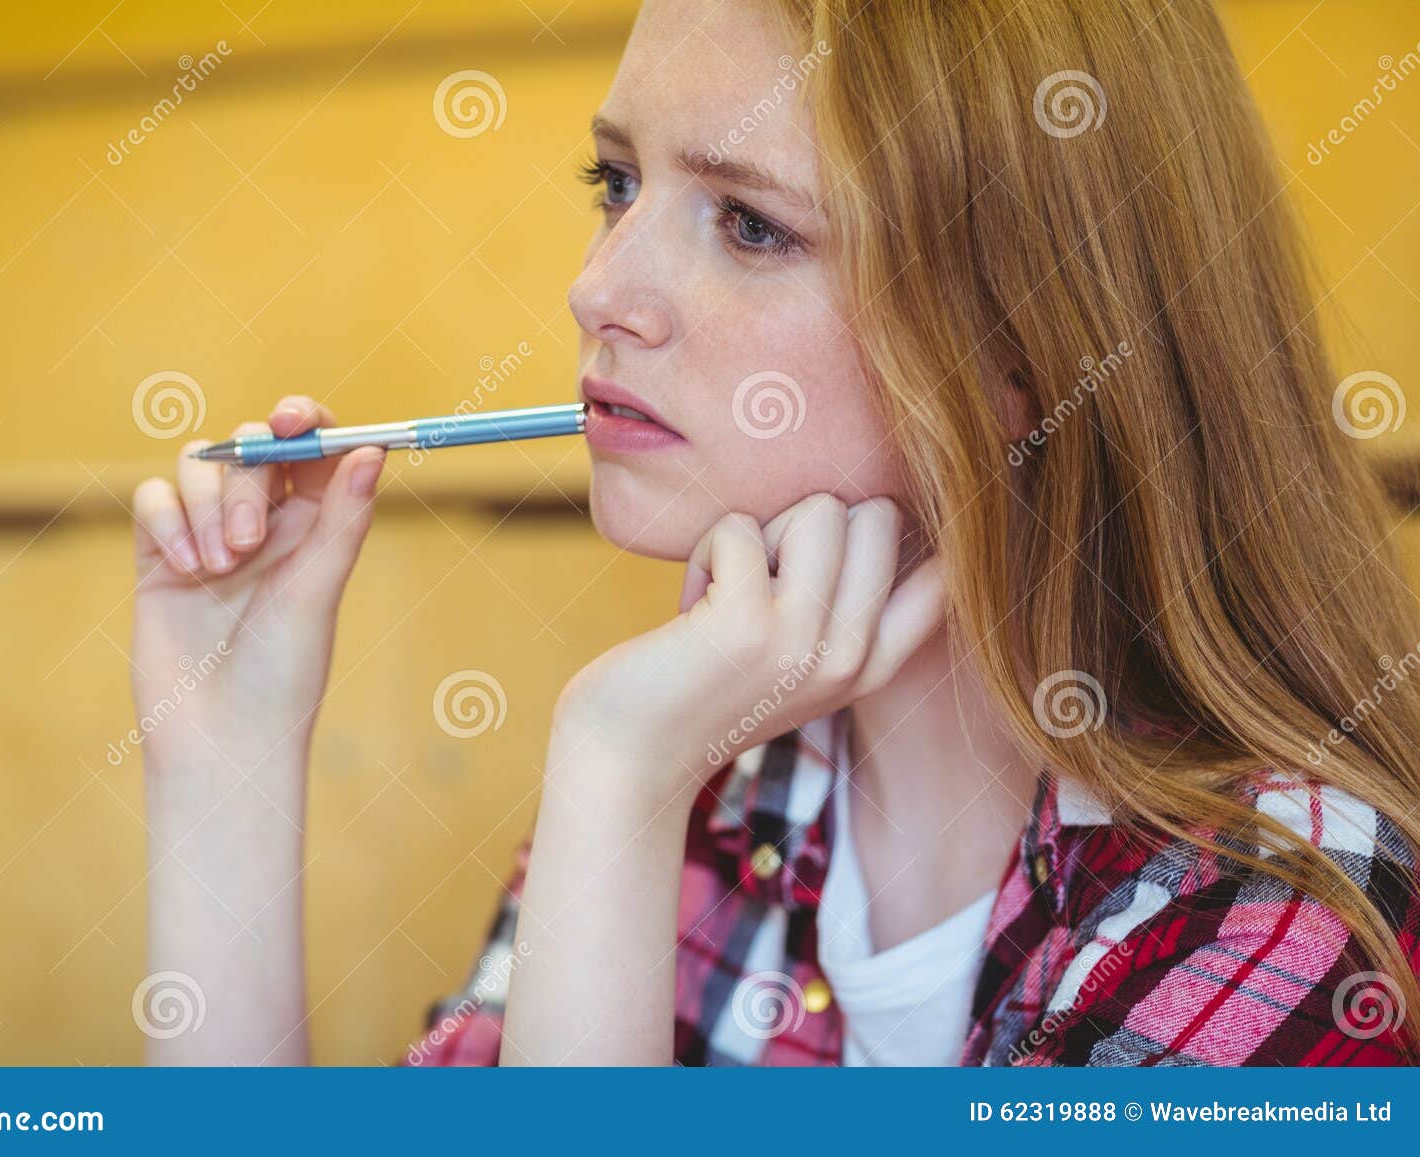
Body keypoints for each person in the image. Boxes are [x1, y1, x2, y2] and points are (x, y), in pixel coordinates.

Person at [129, 0, 1420, 1066]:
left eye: (751, 224)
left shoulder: (1284, 906)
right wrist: (224, 757)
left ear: (1031, 343)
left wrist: (616, 781)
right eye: (615, 183)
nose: (598, 288)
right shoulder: (704, 782)